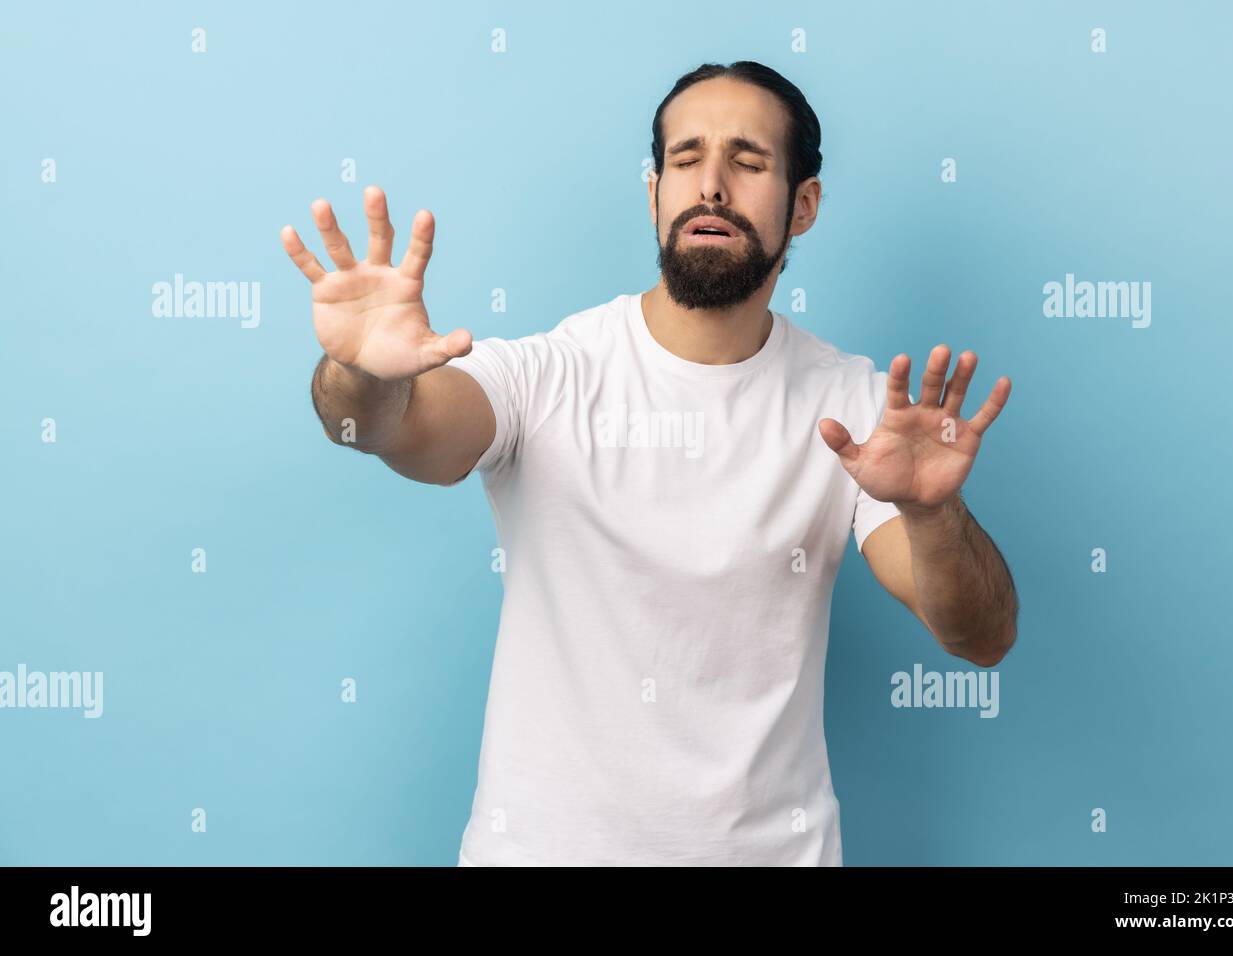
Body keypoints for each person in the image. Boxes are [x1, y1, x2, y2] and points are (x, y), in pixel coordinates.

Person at [281, 60, 1019, 866]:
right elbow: (395, 430)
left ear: (802, 206)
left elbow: (980, 639)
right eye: (685, 159)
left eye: (747, 162)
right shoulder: (550, 371)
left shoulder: (854, 409)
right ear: (654, 193)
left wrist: (931, 511)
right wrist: (365, 375)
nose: (711, 186)